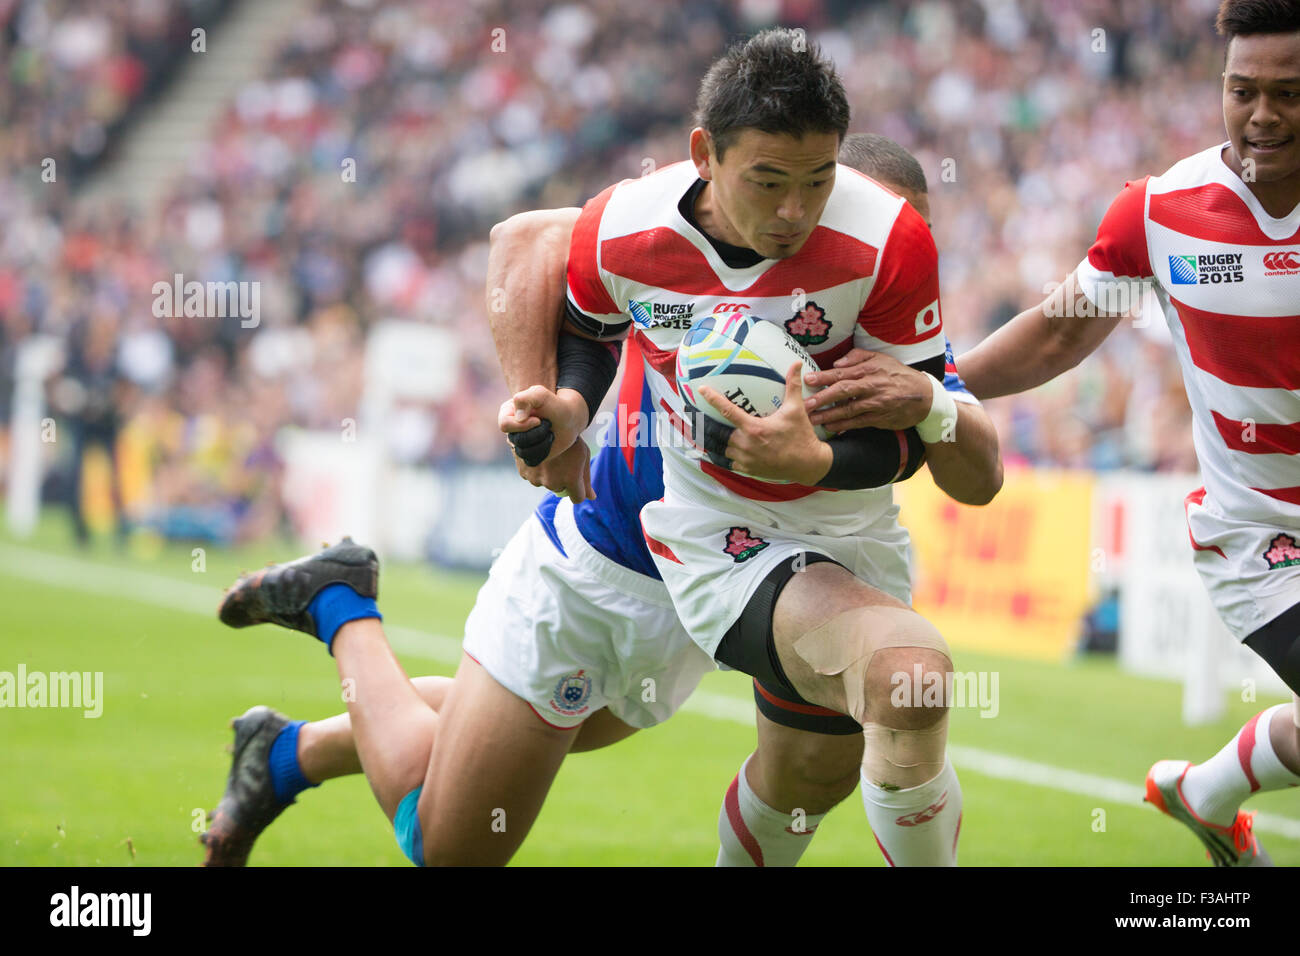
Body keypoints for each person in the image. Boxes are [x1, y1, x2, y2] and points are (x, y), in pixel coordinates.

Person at [202, 126, 1000, 867]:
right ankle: (341, 612)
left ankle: (288, 751)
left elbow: (966, 436)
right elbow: (533, 237)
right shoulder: (716, 260)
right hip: (610, 555)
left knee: (574, 732)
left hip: (749, 572)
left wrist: (932, 405)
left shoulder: (894, 324)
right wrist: (546, 408)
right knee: (461, 833)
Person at [807, 0, 1300, 867]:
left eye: (1289, 94)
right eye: (1242, 90)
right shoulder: (1162, 212)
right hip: (1262, 538)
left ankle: (1207, 791)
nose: (1262, 114)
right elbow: (1060, 330)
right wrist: (933, 389)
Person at [506, 29, 1001, 867]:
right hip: (716, 538)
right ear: (705, 155)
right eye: (768, 182)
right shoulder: (621, 228)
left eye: (817, 183)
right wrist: (569, 404)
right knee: (911, 679)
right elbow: (587, 323)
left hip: (849, 541)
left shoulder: (888, 245)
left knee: (806, 783)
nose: (793, 212)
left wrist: (828, 458)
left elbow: (926, 447)